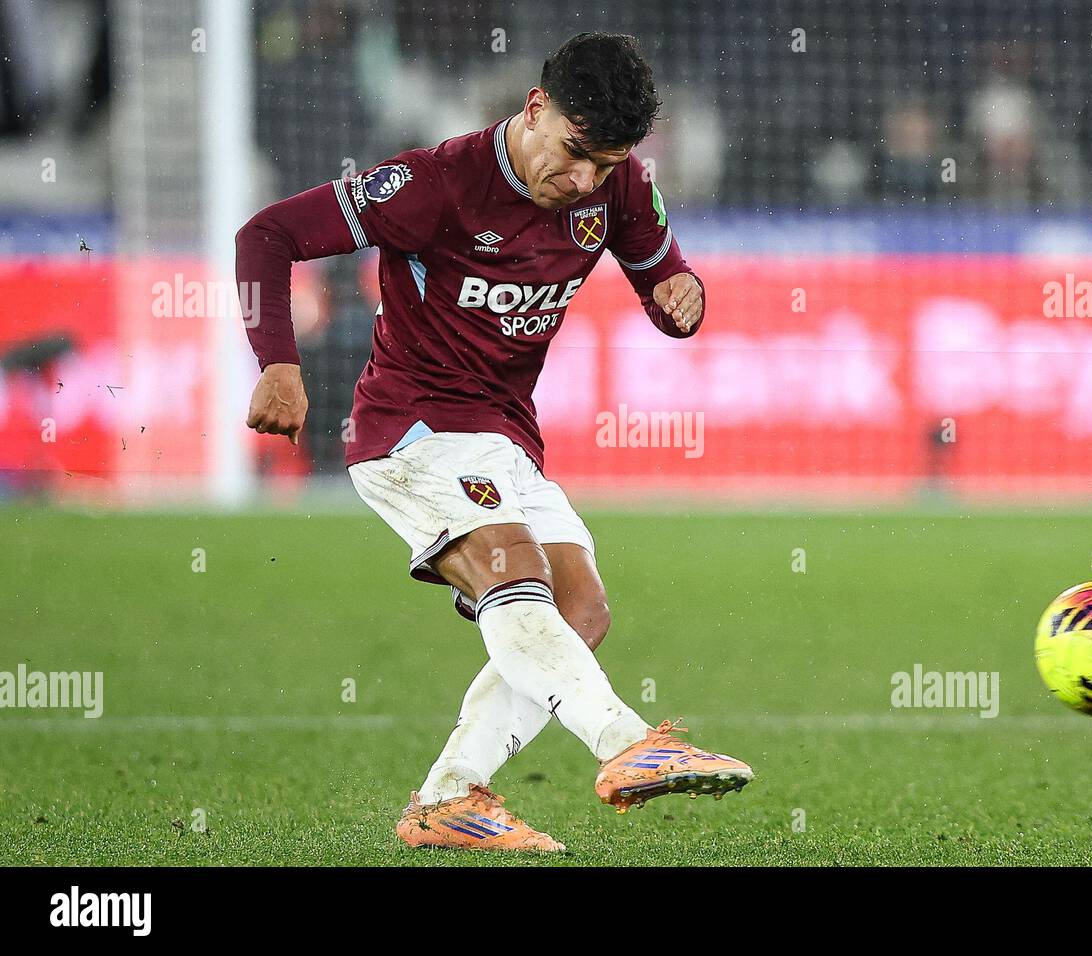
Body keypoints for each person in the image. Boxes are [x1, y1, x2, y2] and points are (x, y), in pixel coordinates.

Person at [234, 32, 753, 853]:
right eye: (577, 153)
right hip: (411, 428)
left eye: (607, 164)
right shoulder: (433, 184)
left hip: (505, 436)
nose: (584, 180)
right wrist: (278, 366)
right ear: (536, 109)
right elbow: (266, 235)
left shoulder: (616, 186)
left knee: (581, 609)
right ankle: (628, 743)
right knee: (514, 565)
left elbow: (664, 280)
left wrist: (681, 294)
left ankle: (447, 798)